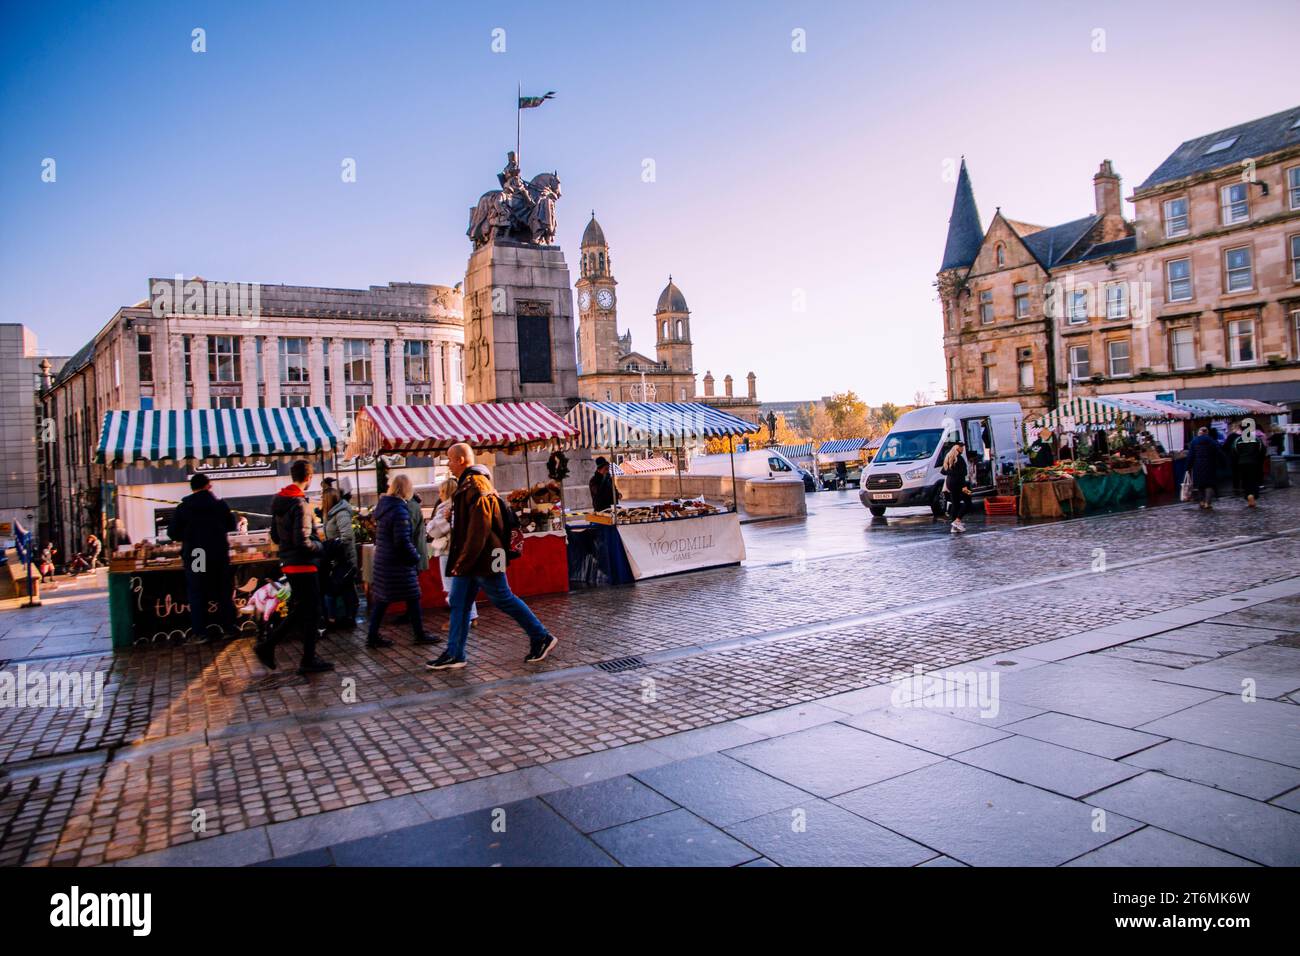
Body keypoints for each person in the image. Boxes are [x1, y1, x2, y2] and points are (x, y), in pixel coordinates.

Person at [428, 443, 557, 671]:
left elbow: (480, 529)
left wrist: (464, 560)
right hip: (475, 559)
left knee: (502, 598)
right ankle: (455, 653)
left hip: (481, 558)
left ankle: (541, 636)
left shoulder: (475, 485)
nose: (447, 464)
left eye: (449, 459)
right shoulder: (469, 485)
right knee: (460, 602)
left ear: (460, 460)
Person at [257, 459, 333, 674]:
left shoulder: (280, 501)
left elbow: (274, 535)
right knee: (310, 610)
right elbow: (303, 541)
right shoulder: (300, 504)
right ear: (309, 478)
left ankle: (276, 648)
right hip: (303, 564)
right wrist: (320, 546)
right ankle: (301, 657)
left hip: (289, 563)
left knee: (303, 610)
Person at [167, 473, 238, 644]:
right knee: (223, 591)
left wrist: (189, 533)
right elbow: (231, 525)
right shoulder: (220, 505)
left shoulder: (184, 508)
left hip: (198, 554)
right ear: (208, 486)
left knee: (198, 592)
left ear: (192, 488)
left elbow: (172, 533)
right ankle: (229, 628)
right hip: (218, 553)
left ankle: (201, 633)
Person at [366, 474, 433, 648]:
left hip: (384, 561)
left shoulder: (384, 507)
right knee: (413, 596)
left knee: (382, 600)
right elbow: (402, 540)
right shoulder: (399, 510)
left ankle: (372, 635)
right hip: (398, 563)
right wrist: (415, 557)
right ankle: (419, 634)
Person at [429, 476, 479, 631]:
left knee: (452, 587)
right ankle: (472, 615)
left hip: (448, 550)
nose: (439, 494)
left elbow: (434, 530)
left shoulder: (446, 507)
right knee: (464, 585)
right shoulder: (460, 506)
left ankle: (460, 619)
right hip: (457, 549)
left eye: (441, 491)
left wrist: (430, 526)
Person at [324, 489, 359, 625]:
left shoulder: (340, 513)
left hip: (344, 558)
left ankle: (344, 617)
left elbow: (347, 536)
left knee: (343, 587)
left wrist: (331, 546)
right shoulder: (333, 513)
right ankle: (346, 616)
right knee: (345, 587)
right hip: (339, 557)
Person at [1186, 426, 1226, 511]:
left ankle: (1202, 502)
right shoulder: (1212, 441)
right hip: (1210, 465)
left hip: (1198, 466)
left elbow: (1190, 456)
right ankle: (1207, 503)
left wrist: (1188, 467)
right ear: (1207, 432)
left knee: (1200, 485)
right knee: (1209, 484)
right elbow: (1219, 453)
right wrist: (1223, 463)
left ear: (1199, 433)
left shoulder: (1194, 442)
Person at [1234, 421, 1266, 508]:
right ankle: (1253, 495)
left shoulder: (1238, 440)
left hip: (1242, 463)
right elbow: (1262, 451)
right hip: (1254, 462)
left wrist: (1239, 460)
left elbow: (1235, 452)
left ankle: (1248, 495)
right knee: (1254, 479)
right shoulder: (1256, 439)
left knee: (1245, 480)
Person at [943, 440, 972, 534]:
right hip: (960, 484)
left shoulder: (948, 457)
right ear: (957, 448)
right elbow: (963, 474)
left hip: (950, 483)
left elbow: (943, 471)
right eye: (961, 446)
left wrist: (951, 473)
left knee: (955, 504)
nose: (962, 448)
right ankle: (957, 521)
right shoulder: (959, 458)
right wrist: (964, 486)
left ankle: (954, 527)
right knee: (968, 502)